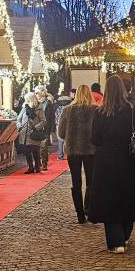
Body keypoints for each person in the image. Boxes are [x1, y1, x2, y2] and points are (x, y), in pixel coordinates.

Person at [87, 76, 135, 253]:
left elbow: (95, 138)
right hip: (128, 159)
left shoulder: (99, 113)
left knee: (109, 199)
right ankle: (125, 234)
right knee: (127, 196)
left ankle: (116, 241)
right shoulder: (132, 111)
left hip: (106, 160)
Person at [58, 85, 96, 223]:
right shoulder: (95, 110)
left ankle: (80, 214)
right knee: (91, 181)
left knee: (76, 181)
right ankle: (89, 209)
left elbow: (61, 133)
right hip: (91, 150)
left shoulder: (67, 110)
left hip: (73, 149)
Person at [17, 93, 47, 173]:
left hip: (34, 133)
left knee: (35, 151)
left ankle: (37, 166)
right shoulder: (24, 108)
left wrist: (35, 128)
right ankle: (30, 167)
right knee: (27, 152)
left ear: (31, 99)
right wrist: (19, 126)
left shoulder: (39, 108)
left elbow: (43, 121)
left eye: (27, 99)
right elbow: (19, 119)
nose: (26, 101)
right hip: (24, 133)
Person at [36, 85, 56, 171]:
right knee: (36, 146)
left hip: (45, 128)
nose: (36, 94)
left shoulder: (48, 103)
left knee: (44, 146)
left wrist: (52, 128)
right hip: (36, 127)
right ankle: (38, 162)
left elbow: (52, 116)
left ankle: (44, 162)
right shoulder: (34, 103)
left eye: (38, 93)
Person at [54, 88, 73, 161]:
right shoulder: (70, 104)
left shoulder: (57, 105)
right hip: (68, 123)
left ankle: (60, 155)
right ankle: (69, 155)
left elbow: (55, 114)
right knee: (68, 139)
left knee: (60, 140)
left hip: (58, 123)